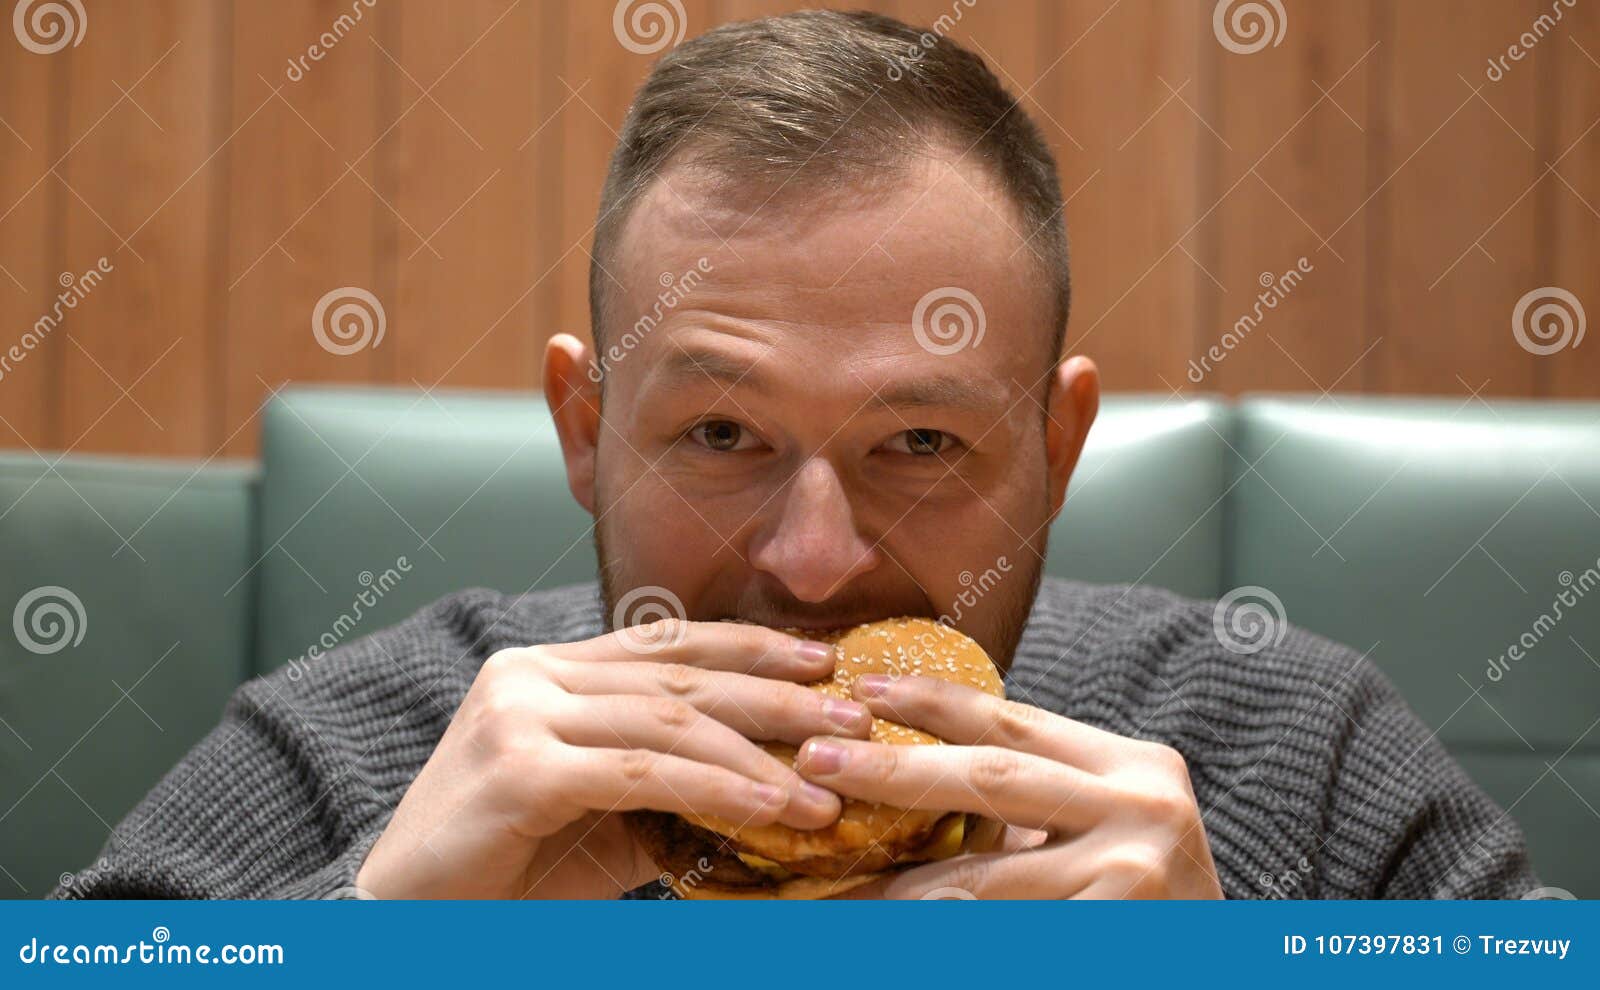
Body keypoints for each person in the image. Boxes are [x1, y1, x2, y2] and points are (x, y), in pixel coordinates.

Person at [55, 10, 1535, 901]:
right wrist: (368, 936)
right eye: (719, 433)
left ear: (1055, 442)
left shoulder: (1293, 751)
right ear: (586, 432)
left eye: (919, 441)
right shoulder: (365, 751)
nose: (813, 559)